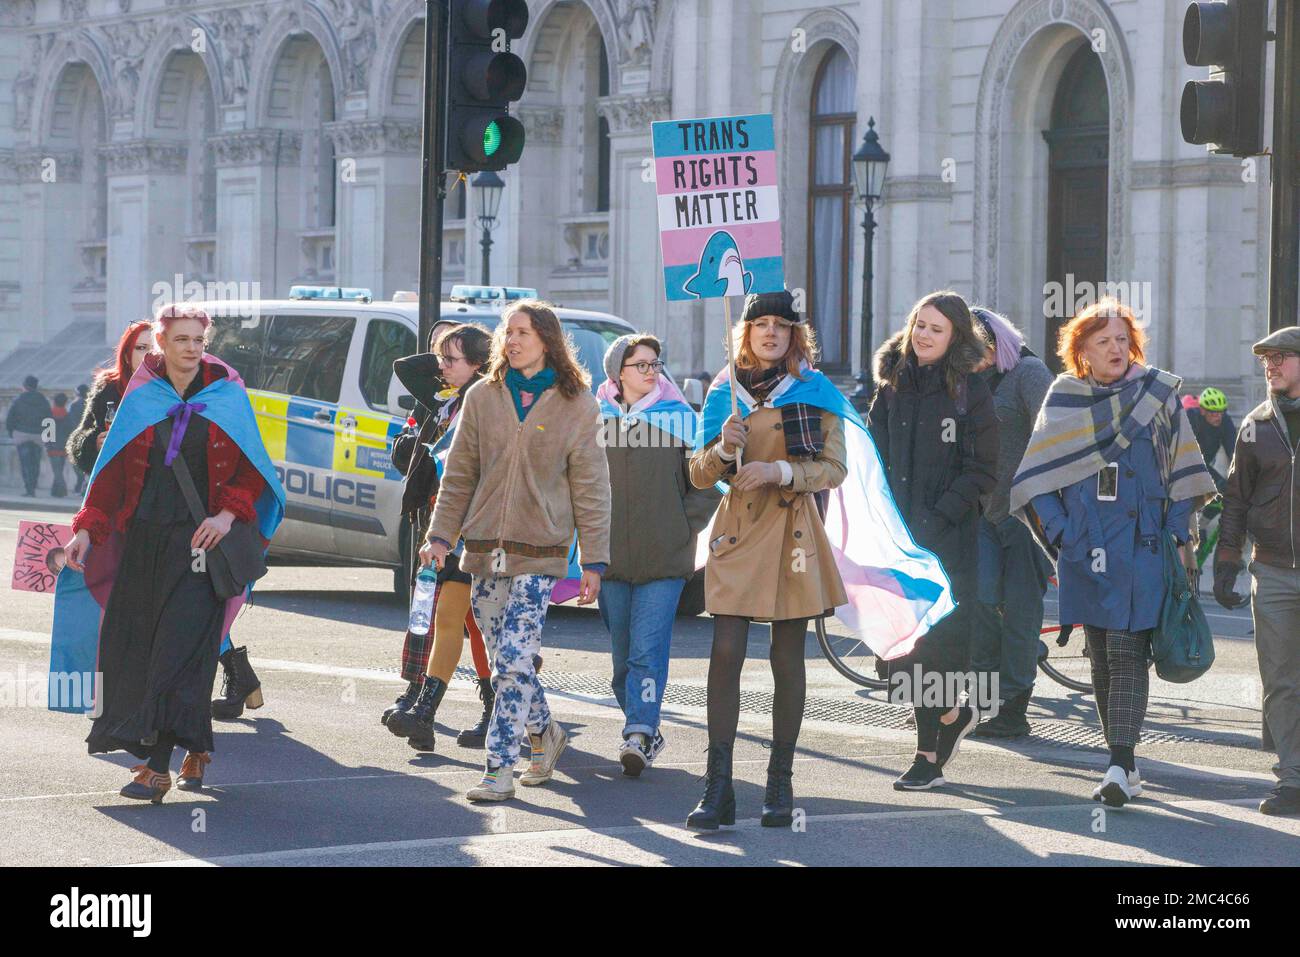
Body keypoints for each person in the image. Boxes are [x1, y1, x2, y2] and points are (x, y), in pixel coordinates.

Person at [60, 304, 284, 801]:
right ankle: (193, 749)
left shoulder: (226, 395)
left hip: (202, 547)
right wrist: (87, 529)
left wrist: (225, 515)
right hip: (144, 542)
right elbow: (112, 476)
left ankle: (156, 769)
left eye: (198, 340)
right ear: (160, 342)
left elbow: (254, 472)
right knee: (135, 649)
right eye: (181, 339)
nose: (191, 348)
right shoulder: (141, 397)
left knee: (178, 651)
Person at [1011, 297, 1215, 808]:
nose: (1117, 348)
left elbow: (1186, 472)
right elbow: (1035, 479)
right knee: (1100, 658)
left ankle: (1120, 763)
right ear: (1082, 350)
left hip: (1145, 549)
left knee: (1127, 654)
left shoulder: (1159, 394)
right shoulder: (1063, 397)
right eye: (1104, 341)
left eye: (1124, 339)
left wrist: (1173, 535)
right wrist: (1061, 534)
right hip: (1085, 550)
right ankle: (1122, 762)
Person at [422, 299, 610, 802]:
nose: (513, 339)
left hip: (541, 550)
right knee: (513, 658)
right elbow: (459, 472)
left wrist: (594, 559)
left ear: (546, 339)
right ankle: (546, 733)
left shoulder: (578, 404)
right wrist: (441, 536)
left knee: (511, 657)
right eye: (508, 331)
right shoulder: (484, 395)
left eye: (523, 331)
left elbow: (591, 488)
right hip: (482, 549)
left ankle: (498, 769)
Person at [686, 290, 849, 829]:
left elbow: (834, 468)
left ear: (794, 335)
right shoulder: (723, 390)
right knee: (725, 652)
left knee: (787, 659)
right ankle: (719, 788)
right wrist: (724, 450)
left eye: (782, 324)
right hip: (736, 532)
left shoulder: (815, 390)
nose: (771, 332)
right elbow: (697, 474)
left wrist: (780, 472)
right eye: (761, 324)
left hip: (793, 532)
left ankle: (779, 787)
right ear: (747, 331)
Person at [870, 292, 998, 790]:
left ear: (954, 338)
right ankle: (950, 714)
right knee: (905, 650)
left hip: (947, 540)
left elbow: (982, 470)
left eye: (936, 328)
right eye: (919, 324)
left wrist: (937, 517)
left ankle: (927, 757)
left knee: (936, 647)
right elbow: (874, 454)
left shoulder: (972, 391)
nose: (923, 334)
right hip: (897, 537)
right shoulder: (892, 385)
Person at [597, 333, 720, 776]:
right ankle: (641, 722)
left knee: (647, 653)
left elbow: (708, 484)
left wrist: (681, 527)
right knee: (621, 660)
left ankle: (640, 732)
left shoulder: (680, 419)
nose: (651, 372)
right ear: (618, 374)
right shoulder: (596, 420)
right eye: (641, 365)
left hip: (666, 561)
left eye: (655, 364)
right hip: (609, 562)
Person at [387, 323, 499, 751]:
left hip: (476, 528)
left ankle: (501, 713)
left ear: (479, 364)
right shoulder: (446, 399)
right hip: (442, 524)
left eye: (451, 359)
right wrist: (444, 352)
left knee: (481, 627)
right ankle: (423, 709)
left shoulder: (486, 400)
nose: (440, 368)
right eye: (440, 358)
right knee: (447, 617)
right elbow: (410, 371)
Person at [1213, 327, 1300, 816]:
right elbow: (1236, 501)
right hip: (1272, 572)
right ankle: (1292, 779)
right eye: (1266, 359)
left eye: (1281, 357)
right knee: (1282, 680)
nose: (1271, 366)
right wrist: (1226, 562)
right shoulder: (1255, 425)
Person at [966, 308, 1054, 739]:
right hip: (980, 513)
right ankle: (982, 703)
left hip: (1026, 515)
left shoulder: (1029, 373)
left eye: (976, 347)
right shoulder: (965, 382)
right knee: (981, 603)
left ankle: (1014, 708)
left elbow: (1055, 436)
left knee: (1020, 612)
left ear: (996, 341)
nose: (970, 356)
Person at [6, 374, 50, 497]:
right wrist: (48, 437)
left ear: (24, 386)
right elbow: (49, 419)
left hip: (22, 435)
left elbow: (10, 419)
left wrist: (12, 433)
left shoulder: (18, 399)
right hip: (38, 436)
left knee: (25, 463)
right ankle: (33, 488)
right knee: (35, 463)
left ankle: (28, 489)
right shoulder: (43, 400)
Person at [1188, 386, 1236, 494]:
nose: (1218, 417)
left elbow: (1232, 450)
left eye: (1221, 412)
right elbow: (1189, 456)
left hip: (1206, 461)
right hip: (1187, 460)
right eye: (1214, 413)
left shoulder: (1225, 421)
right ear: (1202, 410)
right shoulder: (1192, 418)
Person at [46, 393, 73, 498]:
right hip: (63, 448)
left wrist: (48, 445)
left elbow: (46, 433)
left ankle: (62, 491)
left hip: (52, 448)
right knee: (59, 470)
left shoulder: (49, 415)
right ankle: (55, 491)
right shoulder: (67, 416)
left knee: (57, 472)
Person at [67, 384, 90, 495]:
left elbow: (70, 423)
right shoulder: (91, 403)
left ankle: (80, 484)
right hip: (89, 437)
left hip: (77, 438)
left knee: (77, 463)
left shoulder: (74, 405)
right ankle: (83, 486)